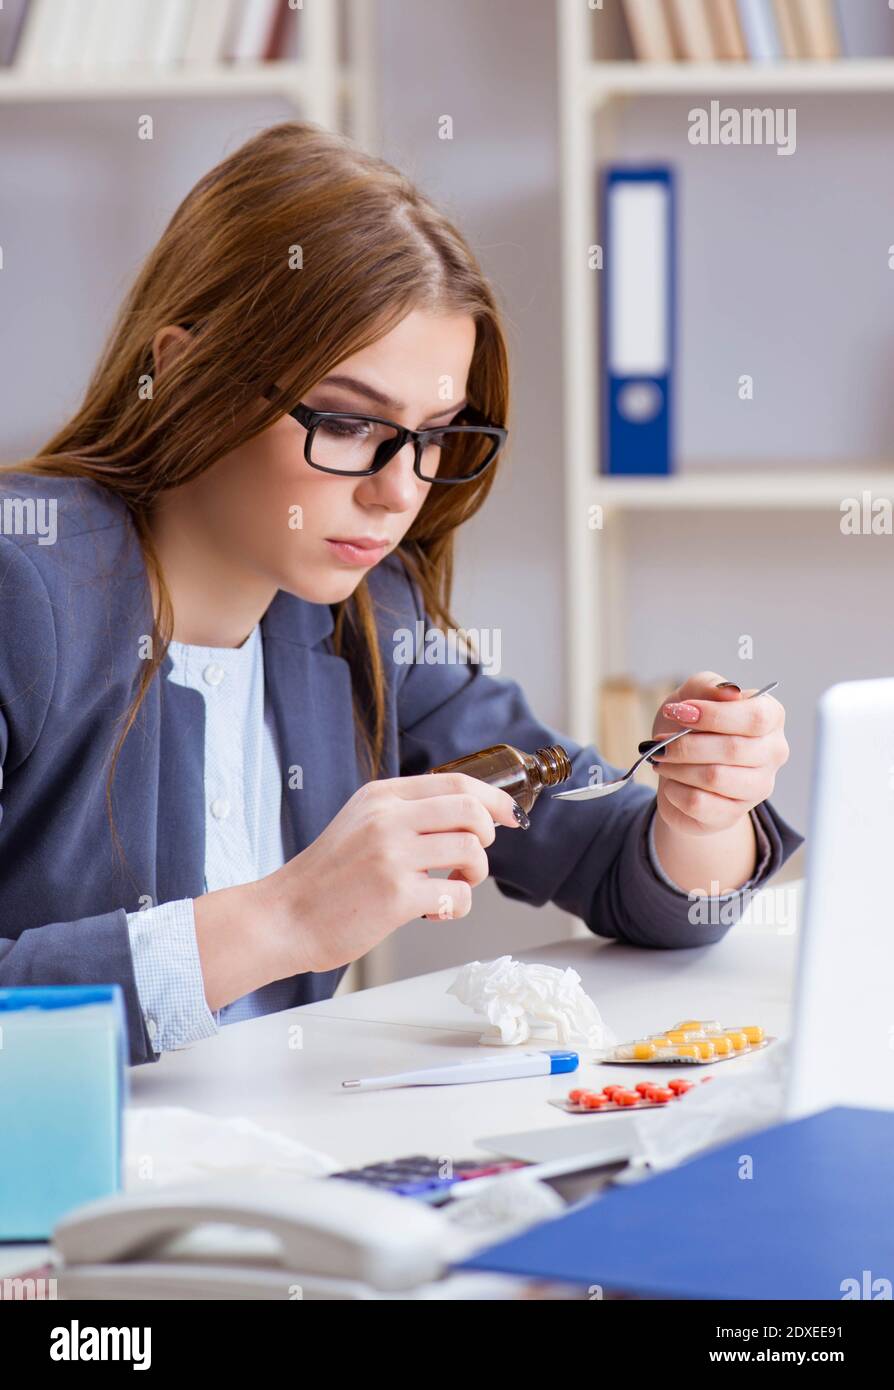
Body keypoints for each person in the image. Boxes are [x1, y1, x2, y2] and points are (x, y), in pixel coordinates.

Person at [0, 122, 800, 1066]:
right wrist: (280, 920)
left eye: (435, 436)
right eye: (346, 422)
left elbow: (620, 868)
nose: (398, 491)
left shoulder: (368, 617)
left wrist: (701, 814)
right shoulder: (26, 582)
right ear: (180, 372)